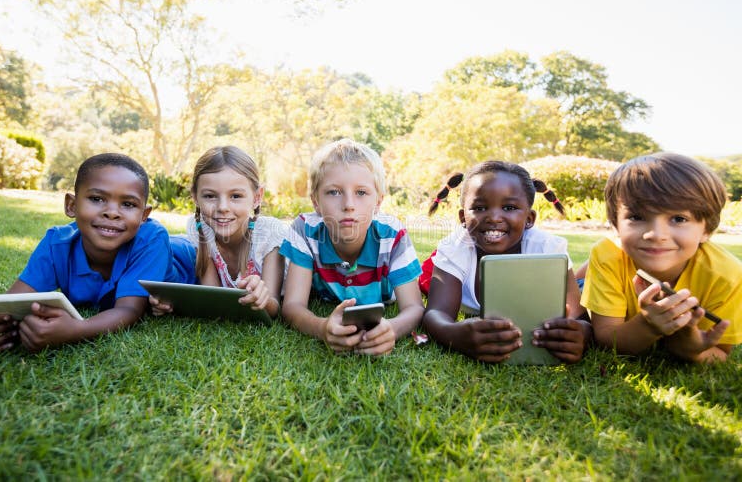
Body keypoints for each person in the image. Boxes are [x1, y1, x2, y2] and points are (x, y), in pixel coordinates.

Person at [0, 153, 177, 355]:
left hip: (181, 257)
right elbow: (12, 304)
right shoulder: (57, 243)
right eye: (97, 199)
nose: (112, 213)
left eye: (128, 204)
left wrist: (78, 329)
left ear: (144, 215)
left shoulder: (152, 238)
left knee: (193, 249)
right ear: (71, 206)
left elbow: (128, 309)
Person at [421, 161, 592, 364]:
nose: (494, 217)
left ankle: (587, 271)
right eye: (479, 207)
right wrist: (453, 334)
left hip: (573, 283)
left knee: (582, 286)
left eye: (509, 207)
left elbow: (581, 319)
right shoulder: (454, 247)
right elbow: (436, 314)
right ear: (463, 218)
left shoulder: (547, 248)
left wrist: (581, 334)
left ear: (529, 219)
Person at [582, 152, 740, 363]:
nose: (656, 235)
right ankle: (579, 276)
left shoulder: (728, 276)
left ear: (706, 230)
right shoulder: (606, 255)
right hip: (596, 278)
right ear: (615, 224)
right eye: (636, 217)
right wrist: (647, 325)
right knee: (575, 285)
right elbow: (606, 338)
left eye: (678, 218)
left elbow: (721, 351)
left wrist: (691, 351)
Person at [279, 138, 425, 356]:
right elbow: (292, 306)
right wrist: (322, 328)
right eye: (334, 192)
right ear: (316, 201)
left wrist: (391, 329)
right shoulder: (304, 230)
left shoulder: (392, 234)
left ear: (378, 201)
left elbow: (414, 307)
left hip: (384, 298)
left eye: (361, 192)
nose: (348, 205)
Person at [150, 146, 286, 319]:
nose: (222, 207)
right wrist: (171, 304)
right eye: (210, 196)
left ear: (257, 197)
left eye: (235, 196)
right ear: (195, 197)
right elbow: (214, 299)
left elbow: (274, 309)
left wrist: (263, 299)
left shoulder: (270, 234)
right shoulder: (201, 229)